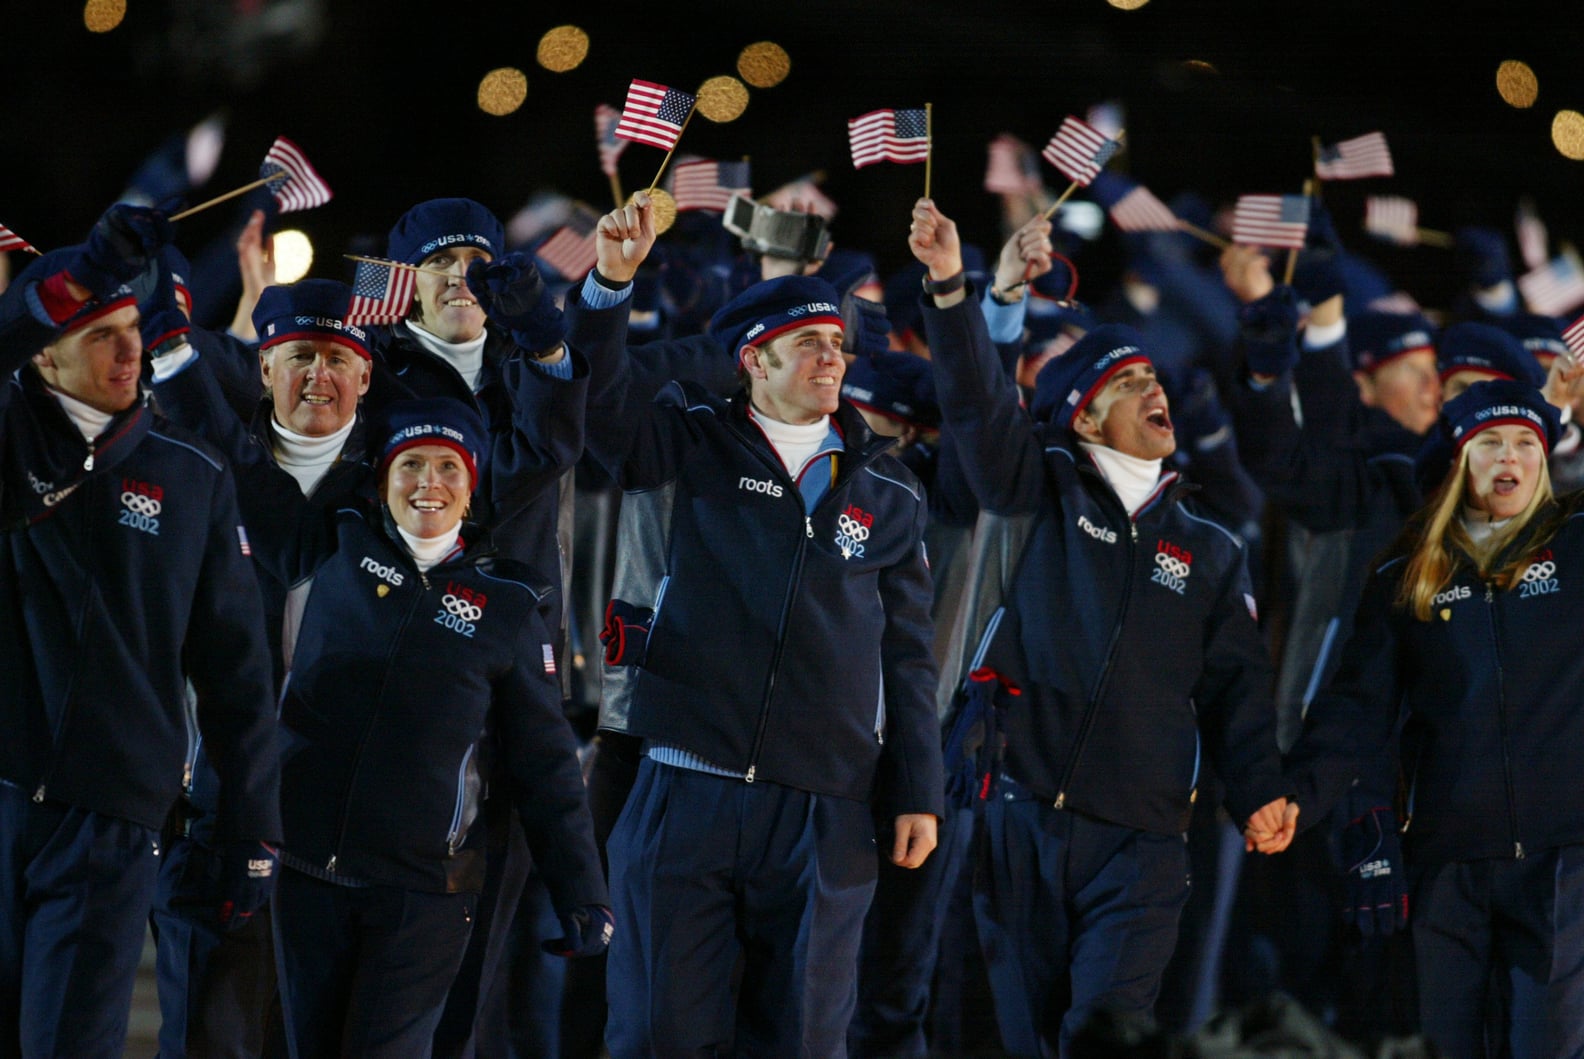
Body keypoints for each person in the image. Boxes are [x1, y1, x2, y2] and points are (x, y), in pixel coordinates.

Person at [908, 198, 1294, 1056]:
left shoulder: (1211, 545)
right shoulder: (1037, 487)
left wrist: (1259, 786)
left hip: (1147, 841)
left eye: (1152, 379)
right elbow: (976, 409)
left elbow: (1237, 686)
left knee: (1100, 1036)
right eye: (1127, 383)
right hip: (1021, 821)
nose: (1154, 389)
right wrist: (951, 289)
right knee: (1022, 1036)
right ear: (1083, 417)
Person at [568, 193, 944, 1056]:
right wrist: (608, 288)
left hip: (824, 807)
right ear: (754, 360)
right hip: (683, 782)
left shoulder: (887, 490)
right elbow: (592, 406)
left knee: (804, 1039)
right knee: (658, 1034)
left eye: (838, 344)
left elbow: (909, 657)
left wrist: (916, 785)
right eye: (808, 343)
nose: (831, 357)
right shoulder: (689, 438)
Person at [0, 207, 281, 1057]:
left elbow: (237, 670)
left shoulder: (192, 474)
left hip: (110, 826)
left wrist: (250, 825)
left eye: (134, 329)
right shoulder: (9, 438)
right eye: (99, 334)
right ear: (44, 352)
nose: (130, 353)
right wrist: (81, 267)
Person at [1286, 378, 1584, 1057]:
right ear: (1459, 461)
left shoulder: (1576, 544)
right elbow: (1356, 709)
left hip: (1564, 861)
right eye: (1489, 444)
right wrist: (1294, 798)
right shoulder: (1407, 571)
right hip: (1448, 865)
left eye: (1524, 445)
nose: (1509, 459)